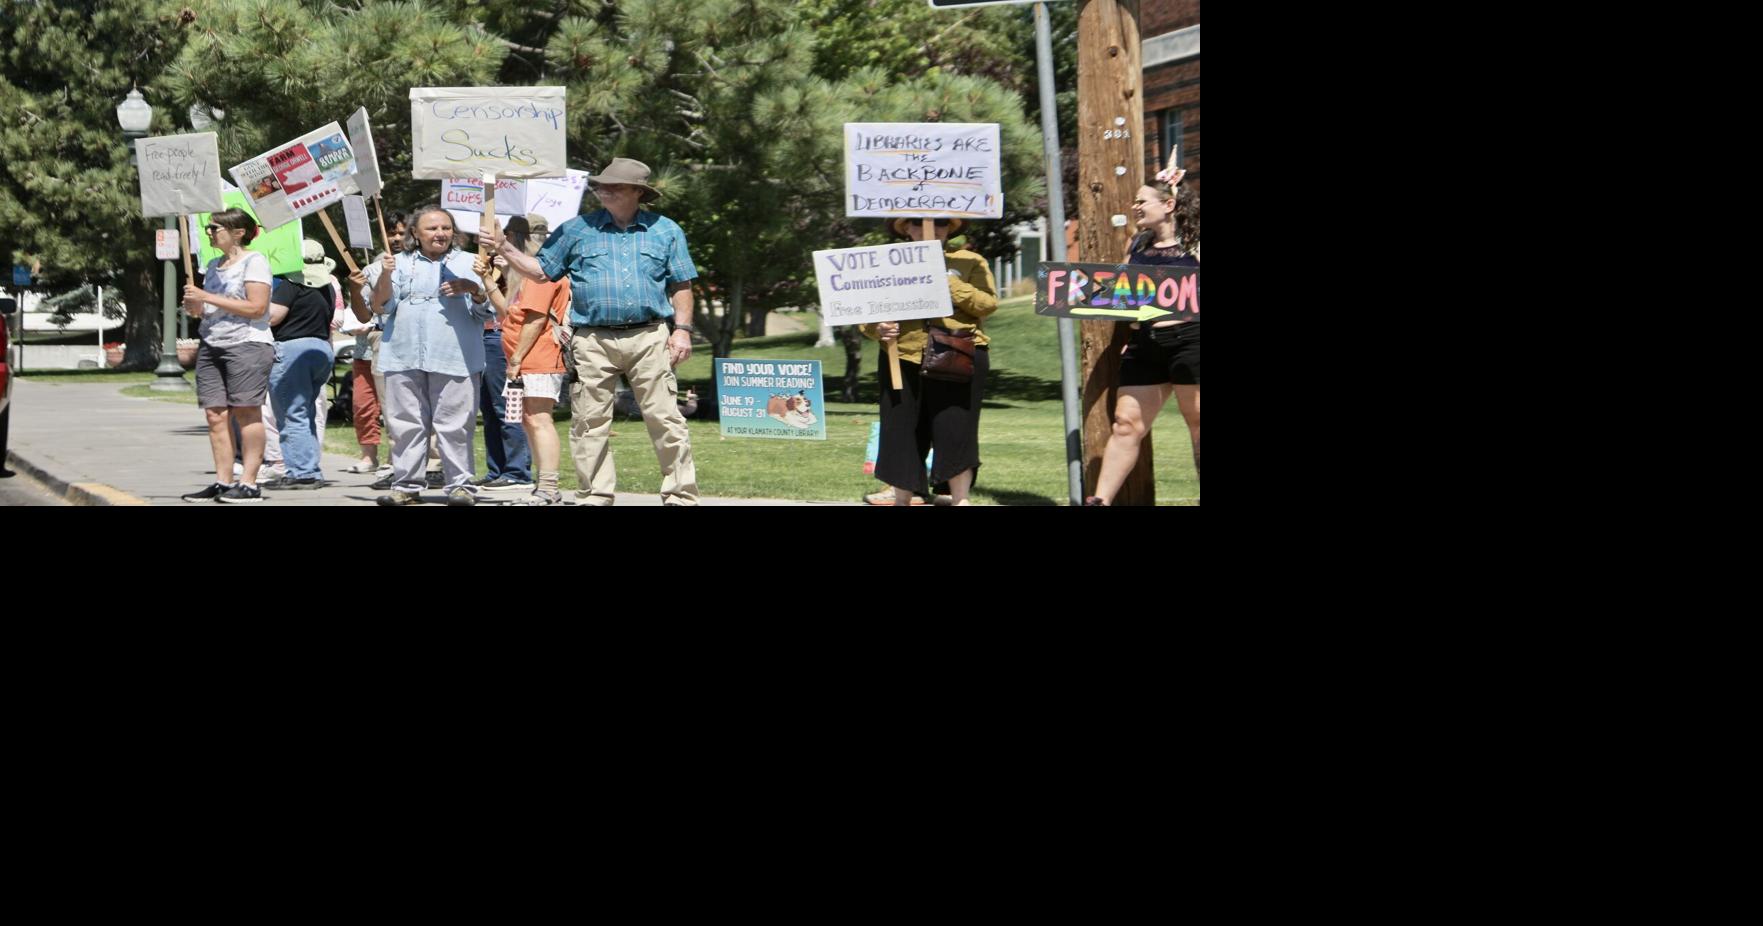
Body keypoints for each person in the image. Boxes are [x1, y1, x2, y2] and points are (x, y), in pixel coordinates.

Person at [479, 158, 700, 506]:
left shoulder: (666, 230)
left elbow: (681, 284)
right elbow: (540, 271)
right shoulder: (577, 229)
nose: (603, 190)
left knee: (665, 418)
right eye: (600, 185)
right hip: (591, 338)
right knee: (588, 421)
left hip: (650, 335)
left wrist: (682, 331)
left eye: (614, 185)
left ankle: (680, 495)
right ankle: (594, 494)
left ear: (638, 192)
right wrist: (502, 247)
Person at [860, 217, 997, 506]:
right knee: (900, 429)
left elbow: (987, 304)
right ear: (906, 230)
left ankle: (960, 499)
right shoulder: (885, 263)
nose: (930, 228)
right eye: (917, 223)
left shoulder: (970, 261)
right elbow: (866, 311)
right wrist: (877, 329)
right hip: (901, 356)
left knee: (956, 427)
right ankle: (903, 498)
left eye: (942, 223)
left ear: (950, 230)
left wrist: (947, 282)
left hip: (956, 353)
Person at [1087, 166, 1201, 506]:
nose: (1134, 206)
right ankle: (1100, 502)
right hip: (1145, 344)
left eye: (1141, 201)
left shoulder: (1195, 243)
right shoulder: (1136, 242)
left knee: (1197, 424)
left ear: (1168, 205)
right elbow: (1123, 293)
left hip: (1192, 341)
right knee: (1125, 424)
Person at [368, 204, 489, 506]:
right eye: (432, 228)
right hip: (402, 354)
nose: (440, 233)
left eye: (446, 228)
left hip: (455, 356)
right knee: (404, 423)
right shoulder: (396, 262)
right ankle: (406, 487)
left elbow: (487, 309)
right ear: (415, 233)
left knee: (455, 425)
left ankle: (461, 487)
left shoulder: (473, 262)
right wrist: (385, 274)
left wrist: (473, 288)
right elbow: (381, 306)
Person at [180, 208, 274, 504]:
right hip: (212, 343)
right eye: (208, 229)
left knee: (246, 411)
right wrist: (194, 305)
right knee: (215, 415)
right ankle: (223, 480)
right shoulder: (212, 265)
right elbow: (206, 309)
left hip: (247, 344)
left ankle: (249, 482)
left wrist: (206, 297)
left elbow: (257, 308)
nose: (209, 233)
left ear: (238, 232)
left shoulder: (254, 261)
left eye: (214, 228)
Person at [483, 214, 571, 506]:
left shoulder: (541, 271)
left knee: (539, 418)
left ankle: (548, 486)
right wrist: (488, 281)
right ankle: (543, 485)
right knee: (528, 419)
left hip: (538, 356)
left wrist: (517, 358)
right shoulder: (525, 276)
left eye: (510, 237)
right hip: (525, 357)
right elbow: (510, 315)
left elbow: (535, 319)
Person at [261, 239, 340, 489]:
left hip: (292, 350)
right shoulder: (327, 287)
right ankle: (309, 468)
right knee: (306, 413)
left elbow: (274, 317)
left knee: (291, 414)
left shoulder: (290, 284)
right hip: (321, 349)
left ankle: (302, 472)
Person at [342, 210, 408, 475]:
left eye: (401, 233)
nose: (396, 238)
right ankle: (376, 457)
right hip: (370, 346)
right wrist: (355, 290)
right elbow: (363, 312)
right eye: (391, 233)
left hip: (402, 341)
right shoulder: (372, 268)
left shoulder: (418, 263)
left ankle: (403, 460)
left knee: (401, 404)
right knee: (369, 405)